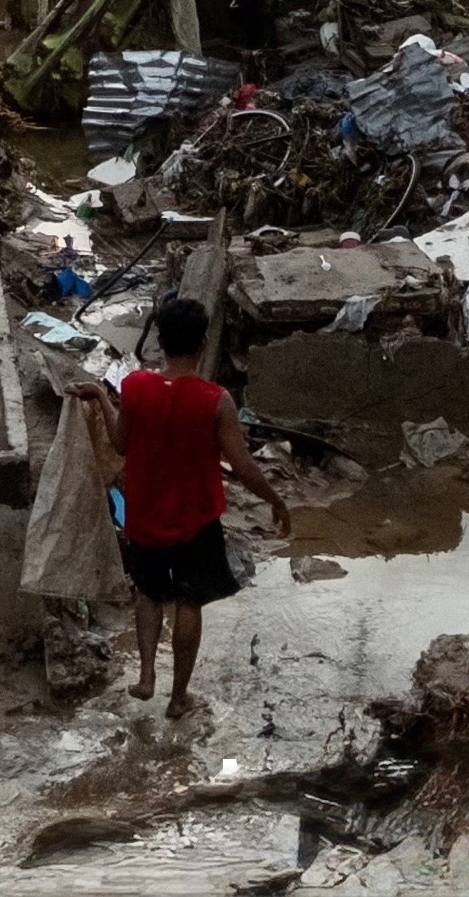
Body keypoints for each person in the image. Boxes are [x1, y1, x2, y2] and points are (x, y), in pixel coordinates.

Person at [74, 293, 289, 713]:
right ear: (203, 342)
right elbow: (242, 465)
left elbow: (119, 442)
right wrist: (275, 500)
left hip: (146, 513)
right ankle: (178, 698)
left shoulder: (135, 387)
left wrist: (102, 398)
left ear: (160, 340)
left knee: (149, 593)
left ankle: (146, 676)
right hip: (195, 517)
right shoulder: (215, 400)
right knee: (189, 600)